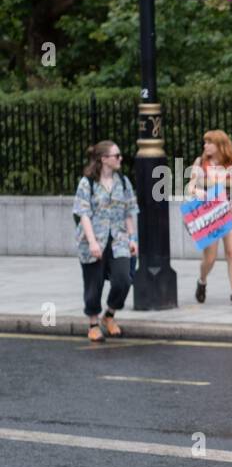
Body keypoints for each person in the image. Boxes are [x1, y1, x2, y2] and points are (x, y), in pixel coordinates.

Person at [73, 141, 137, 341]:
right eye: (116, 156)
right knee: (94, 283)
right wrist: (92, 242)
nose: (120, 159)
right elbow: (83, 214)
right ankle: (93, 323)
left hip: (118, 240)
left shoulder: (124, 182)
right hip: (94, 240)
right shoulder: (88, 183)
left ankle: (109, 315)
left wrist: (132, 238)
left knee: (124, 280)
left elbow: (128, 212)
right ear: (104, 159)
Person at [187, 129, 232, 306]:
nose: (205, 145)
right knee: (210, 258)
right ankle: (202, 280)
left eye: (209, 142)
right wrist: (198, 190)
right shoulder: (200, 163)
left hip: (228, 211)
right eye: (205, 142)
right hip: (209, 214)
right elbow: (190, 187)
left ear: (220, 145)